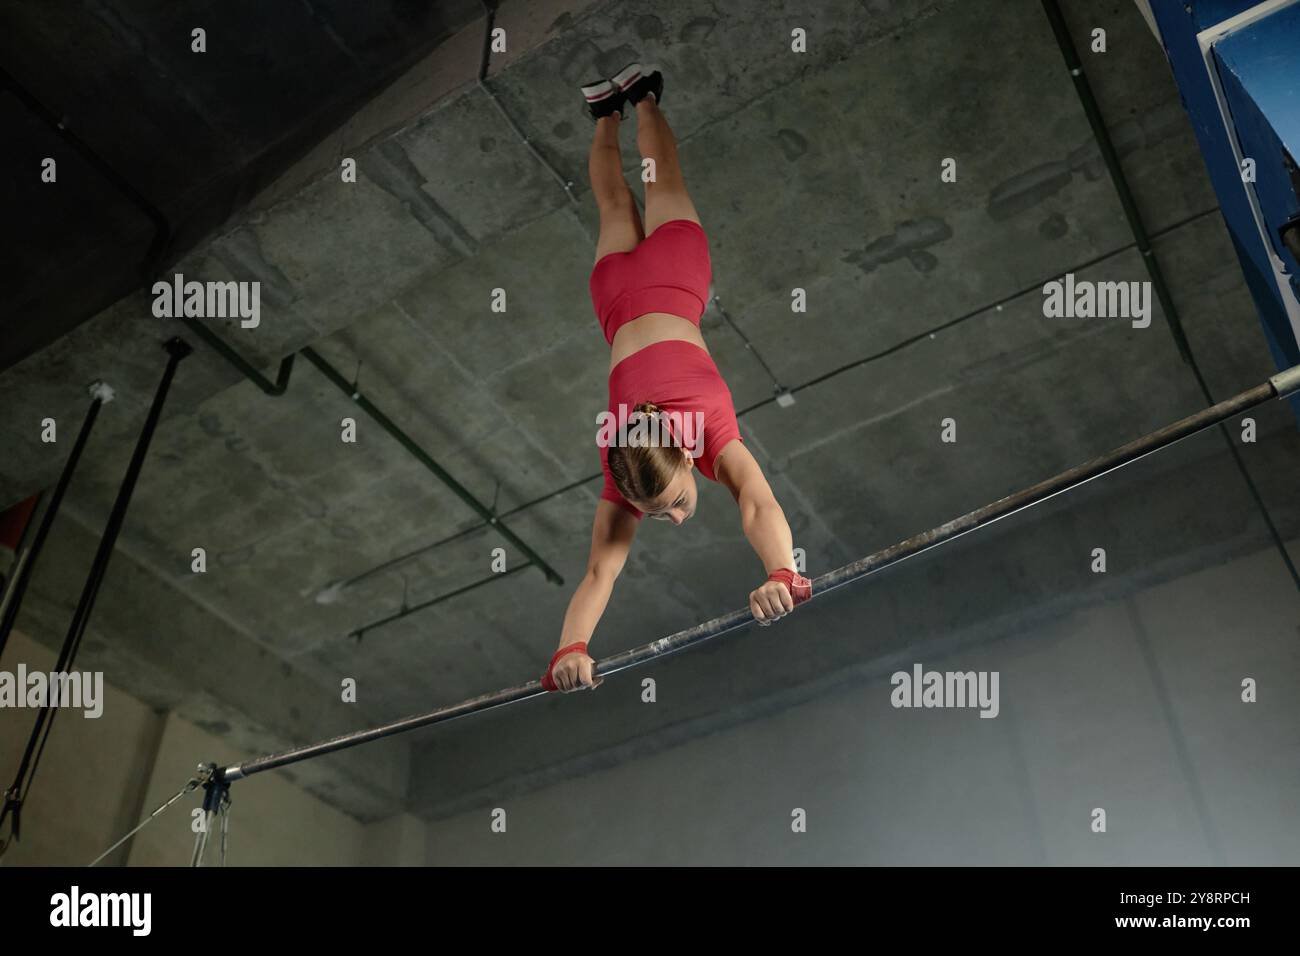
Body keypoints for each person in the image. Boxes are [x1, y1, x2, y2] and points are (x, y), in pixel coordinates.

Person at [542, 64, 812, 694]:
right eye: (660, 511)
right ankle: (609, 111)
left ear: (688, 454)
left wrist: (784, 572)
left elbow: (757, 502)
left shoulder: (709, 432)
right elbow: (598, 576)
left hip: (673, 278)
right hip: (615, 300)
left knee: (658, 174)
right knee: (616, 201)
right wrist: (569, 649)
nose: (674, 518)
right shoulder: (622, 454)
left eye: (662, 509)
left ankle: (644, 100)